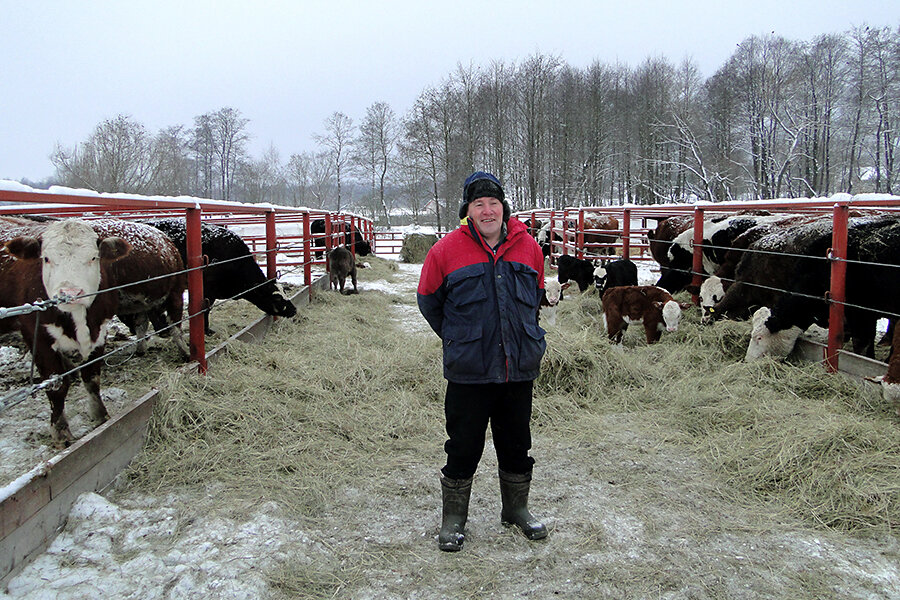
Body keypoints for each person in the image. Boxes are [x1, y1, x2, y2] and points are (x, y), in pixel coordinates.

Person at [417, 171, 549, 552]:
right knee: (462, 445)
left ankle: (516, 509)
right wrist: (461, 338)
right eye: (479, 204)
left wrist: (520, 336)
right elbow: (429, 302)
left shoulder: (529, 248)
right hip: (469, 372)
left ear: (503, 207)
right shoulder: (445, 251)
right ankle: (454, 519)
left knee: (517, 443)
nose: (487, 210)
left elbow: (537, 297)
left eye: (493, 203)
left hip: (517, 368)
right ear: (468, 211)